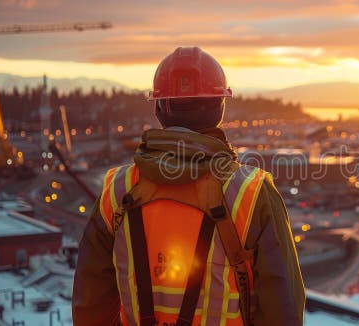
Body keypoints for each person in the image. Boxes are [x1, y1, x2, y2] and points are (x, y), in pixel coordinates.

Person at [73, 47, 305, 326]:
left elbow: (91, 305)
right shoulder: (251, 193)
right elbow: (283, 308)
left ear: (158, 108)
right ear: (220, 106)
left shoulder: (117, 190)